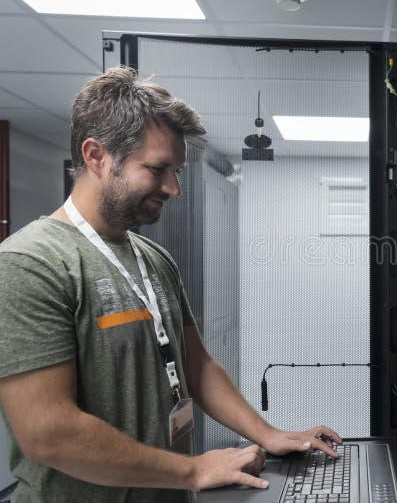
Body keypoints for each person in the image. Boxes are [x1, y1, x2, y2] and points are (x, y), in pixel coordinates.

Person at [0, 66, 342, 503]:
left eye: (177, 171)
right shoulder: (32, 264)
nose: (174, 188)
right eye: (159, 169)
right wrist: (194, 469)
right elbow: (48, 434)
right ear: (96, 156)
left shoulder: (153, 258)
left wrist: (268, 434)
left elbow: (196, 366)